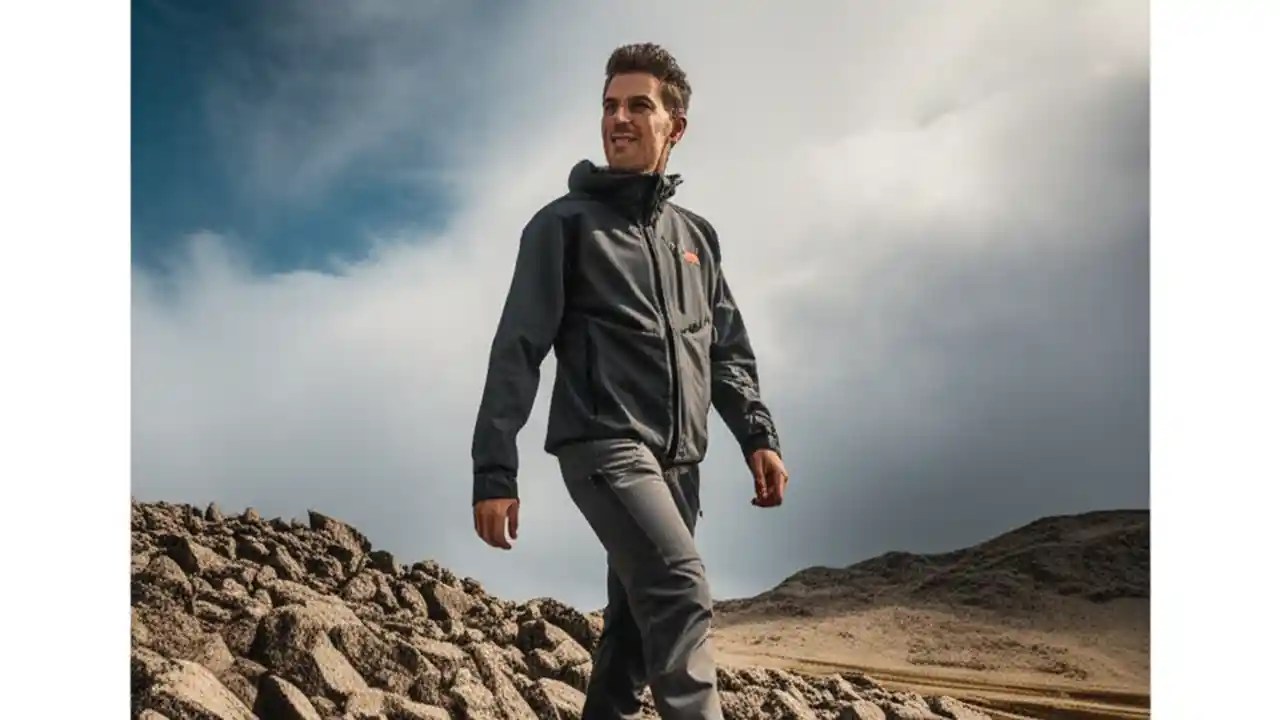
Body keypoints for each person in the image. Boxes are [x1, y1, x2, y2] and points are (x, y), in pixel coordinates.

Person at [470, 42, 789, 720]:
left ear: (675, 125)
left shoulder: (695, 237)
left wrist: (757, 434)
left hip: (681, 463)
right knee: (678, 587)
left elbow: (725, 347)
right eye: (610, 105)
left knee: (633, 637)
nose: (619, 118)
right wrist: (494, 471)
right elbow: (517, 351)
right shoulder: (562, 227)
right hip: (603, 444)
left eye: (638, 105)